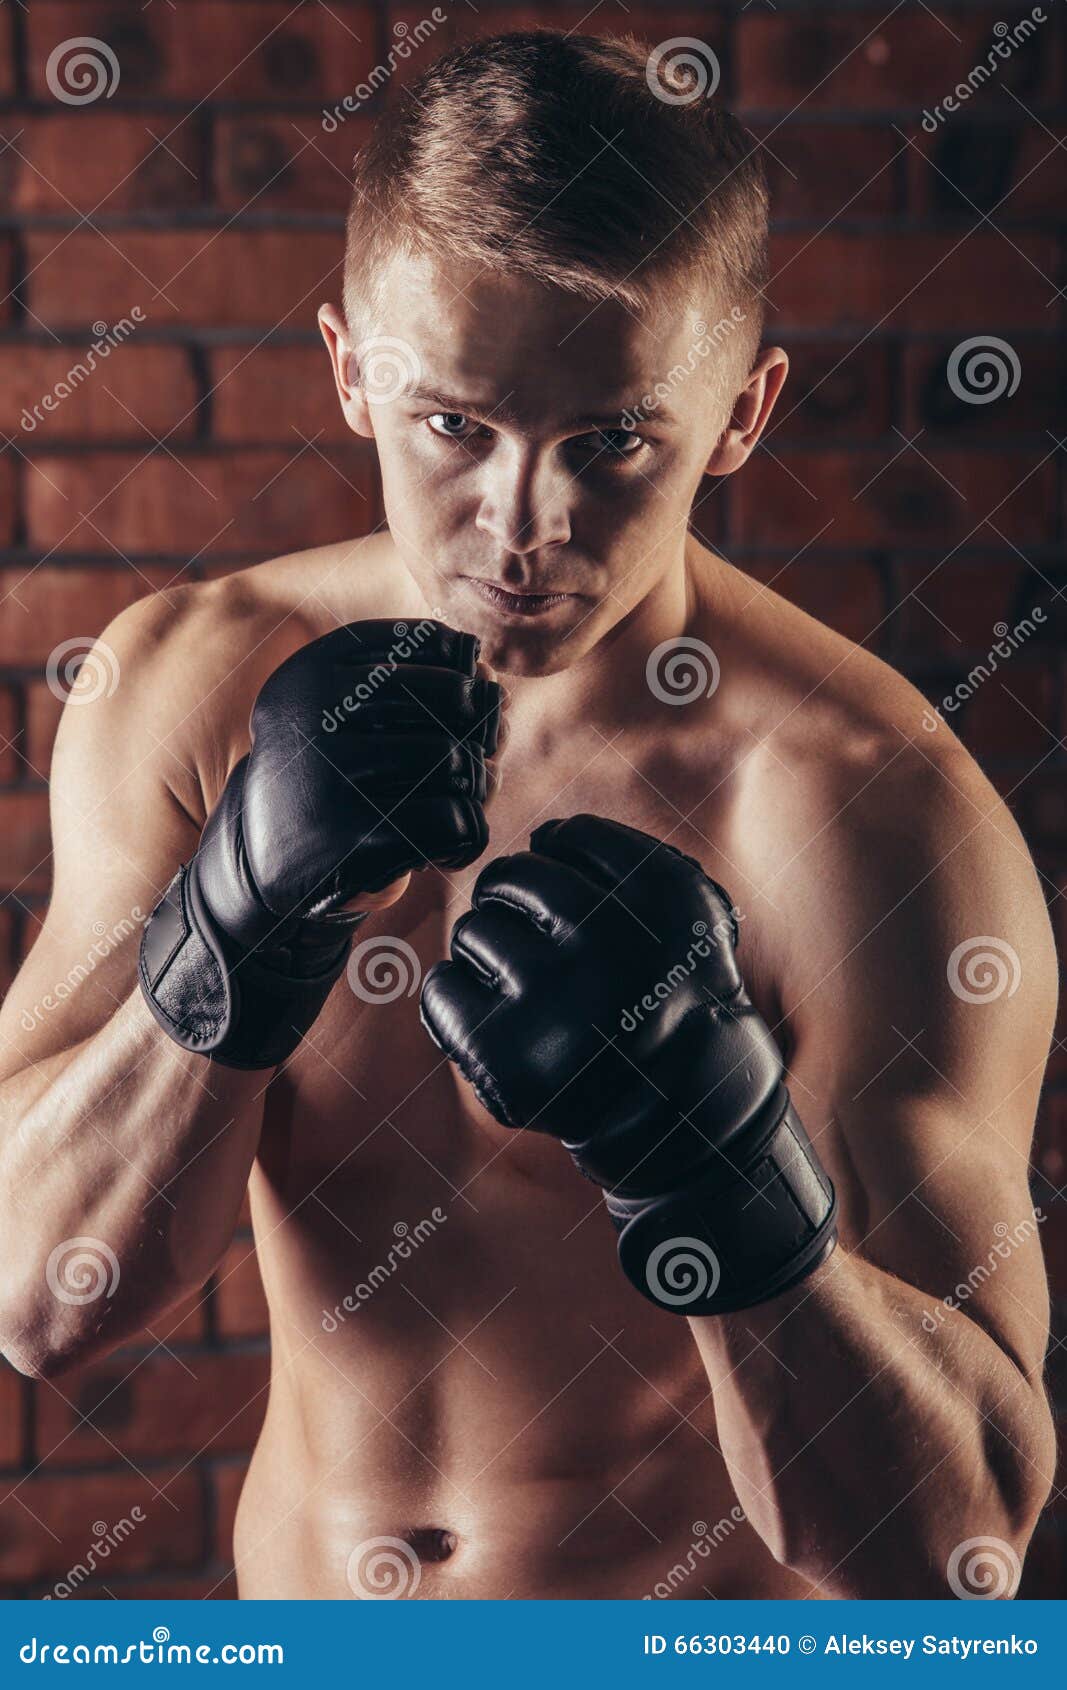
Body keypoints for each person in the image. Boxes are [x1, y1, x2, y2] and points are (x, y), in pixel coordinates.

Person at [0, 31, 1056, 1601]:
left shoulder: (859, 809)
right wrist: (223, 940)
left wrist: (723, 1177)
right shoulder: (190, 692)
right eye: (454, 427)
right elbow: (43, 1298)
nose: (520, 526)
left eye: (612, 441)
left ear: (745, 410)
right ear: (350, 367)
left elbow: (953, 1547)